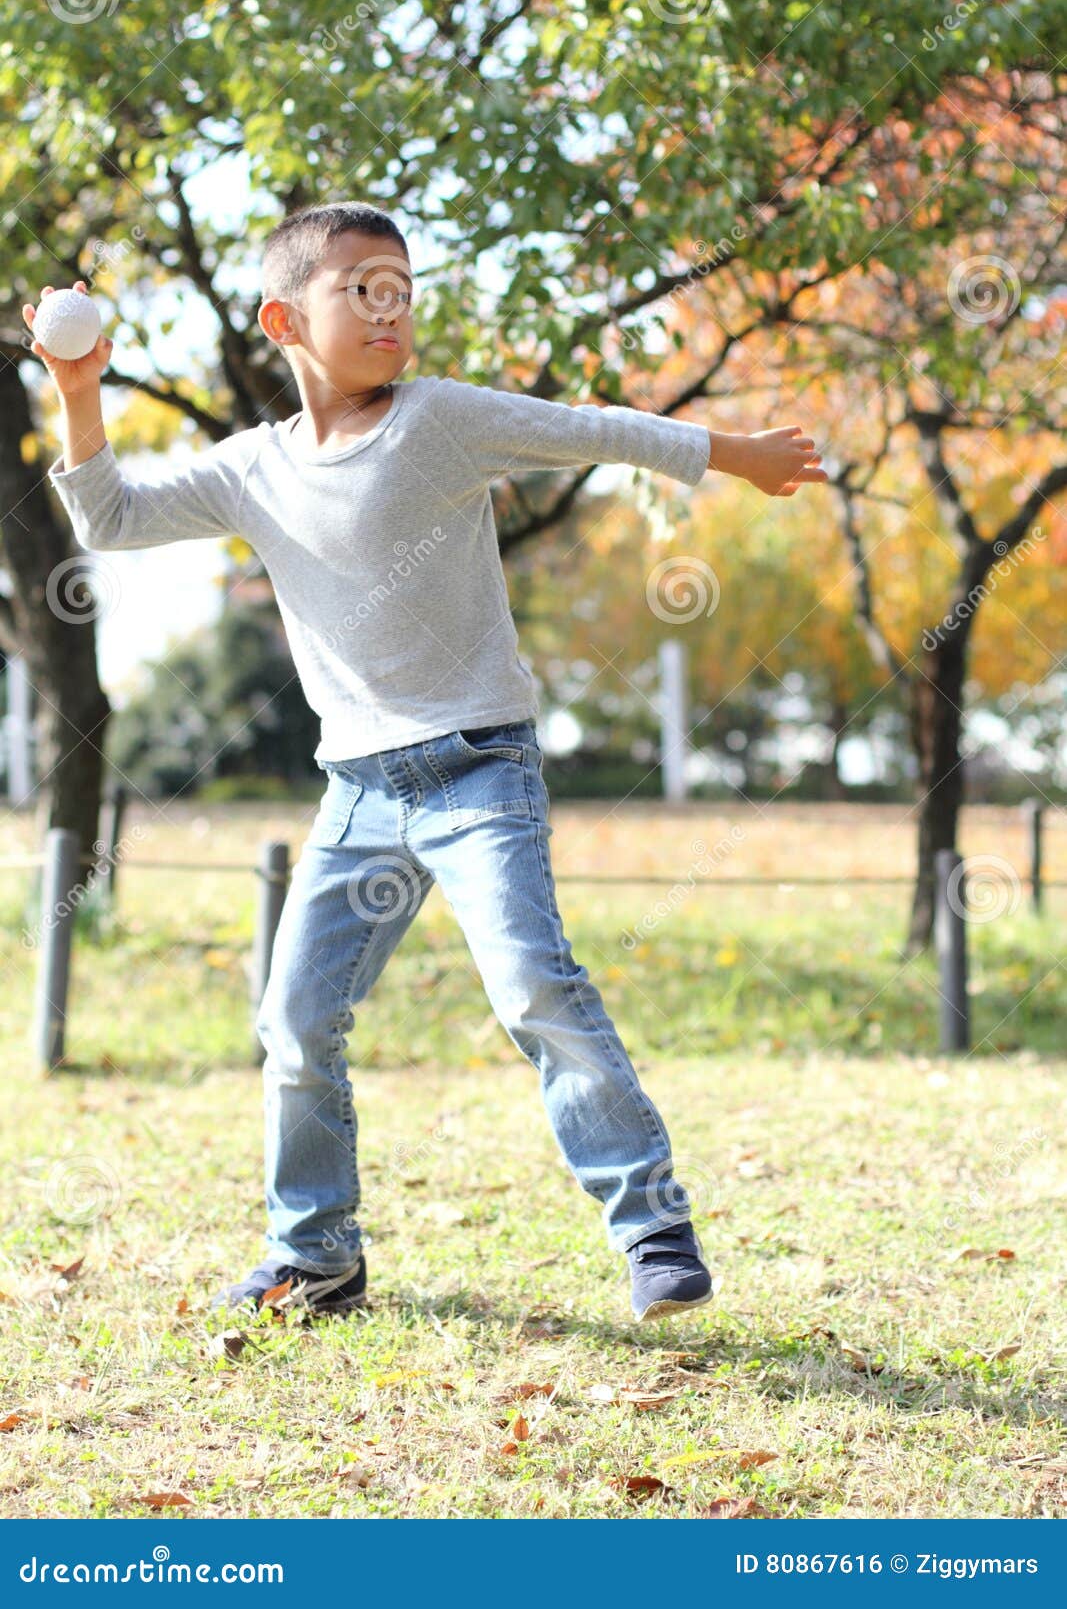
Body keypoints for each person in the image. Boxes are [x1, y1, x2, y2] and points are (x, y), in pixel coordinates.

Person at [32, 201, 826, 1325]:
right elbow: (108, 518)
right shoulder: (252, 468)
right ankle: (315, 1255)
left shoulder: (440, 420)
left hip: (475, 768)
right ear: (283, 318)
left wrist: (727, 455)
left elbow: (591, 426)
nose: (388, 306)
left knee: (532, 987)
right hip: (358, 791)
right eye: (359, 287)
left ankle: (651, 1227)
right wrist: (75, 390)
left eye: (401, 287)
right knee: (296, 1020)